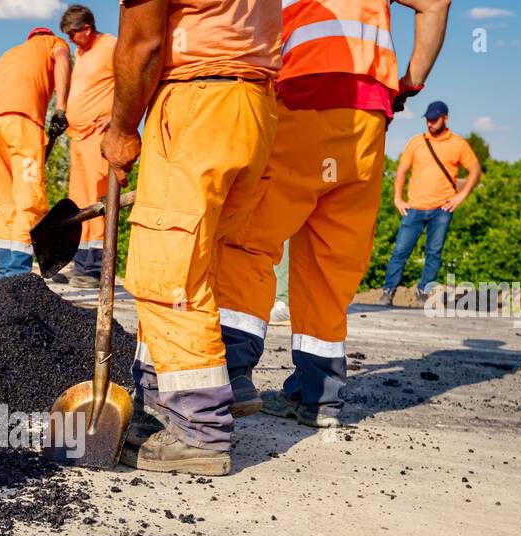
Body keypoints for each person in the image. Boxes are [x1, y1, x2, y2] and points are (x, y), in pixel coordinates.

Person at [215, 0, 451, 429]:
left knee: (249, 235)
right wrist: (408, 83)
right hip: (367, 117)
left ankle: (231, 372)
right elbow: (435, 3)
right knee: (330, 259)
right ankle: (319, 396)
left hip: (303, 101)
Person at [102, 0, 282, 476]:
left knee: (168, 270)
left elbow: (143, 41)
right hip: (252, 106)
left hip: (197, 99)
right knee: (195, 264)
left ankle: (197, 428)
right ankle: (160, 403)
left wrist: (121, 128)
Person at [0, 28, 71, 278]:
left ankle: (5, 273)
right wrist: (61, 109)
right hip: (22, 122)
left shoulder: (10, 54)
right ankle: (18, 273)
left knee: (3, 200)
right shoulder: (53, 43)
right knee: (29, 198)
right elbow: (64, 60)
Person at [376, 99, 481, 306]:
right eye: (428, 119)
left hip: (441, 209)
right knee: (400, 251)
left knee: (434, 252)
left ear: (445, 118)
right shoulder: (416, 142)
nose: (430, 123)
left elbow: (475, 170)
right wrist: (398, 198)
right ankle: (388, 292)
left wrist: (461, 196)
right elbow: (401, 171)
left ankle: (424, 291)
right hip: (414, 207)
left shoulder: (458, 144)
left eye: (434, 119)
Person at [53, 4, 116, 290]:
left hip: (96, 135)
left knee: (96, 196)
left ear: (87, 29)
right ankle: (79, 262)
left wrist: (116, 115)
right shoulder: (82, 51)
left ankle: (94, 268)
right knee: (77, 200)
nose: (69, 40)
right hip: (77, 137)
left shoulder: (111, 46)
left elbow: (132, 81)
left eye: (72, 34)